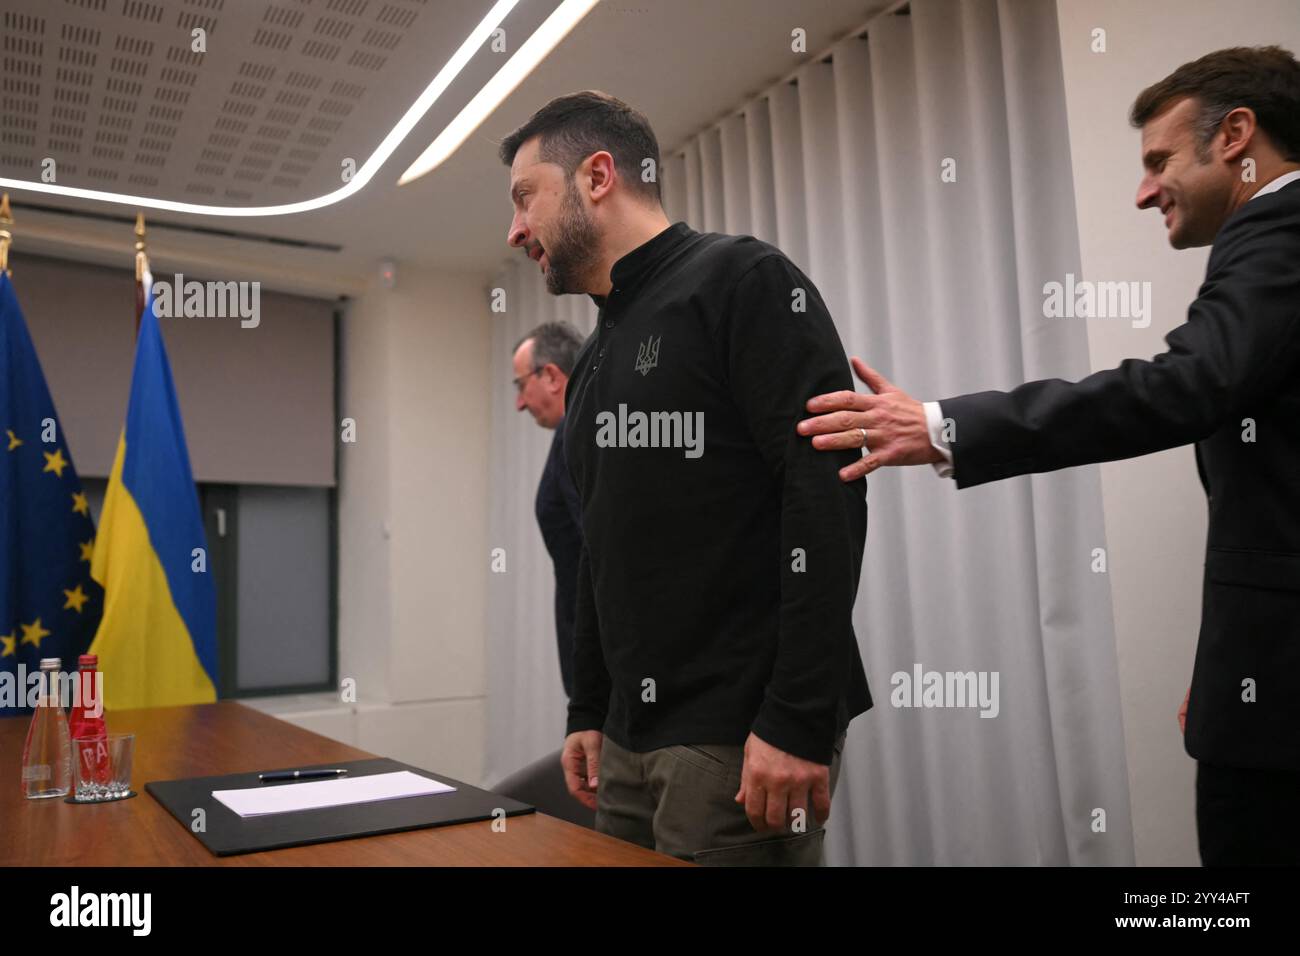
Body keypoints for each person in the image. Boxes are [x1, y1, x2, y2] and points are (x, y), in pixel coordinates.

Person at [799, 46, 1300, 866]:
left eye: (1159, 161)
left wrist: (943, 425)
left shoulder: (1280, 227)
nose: (1143, 192)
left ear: (1237, 135)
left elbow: (1185, 387)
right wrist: (1238, 675)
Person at [500, 90, 870, 864]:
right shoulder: (597, 357)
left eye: (524, 199)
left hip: (739, 737)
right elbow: (603, 551)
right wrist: (589, 709)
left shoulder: (743, 281)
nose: (515, 231)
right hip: (628, 748)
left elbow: (824, 495)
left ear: (598, 175)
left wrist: (798, 718)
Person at [512, 322, 587, 698]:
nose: (519, 403)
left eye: (520, 385)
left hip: (605, 688)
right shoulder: (583, 428)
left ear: (552, 376)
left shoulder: (576, 432)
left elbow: (601, 557)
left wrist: (592, 702)